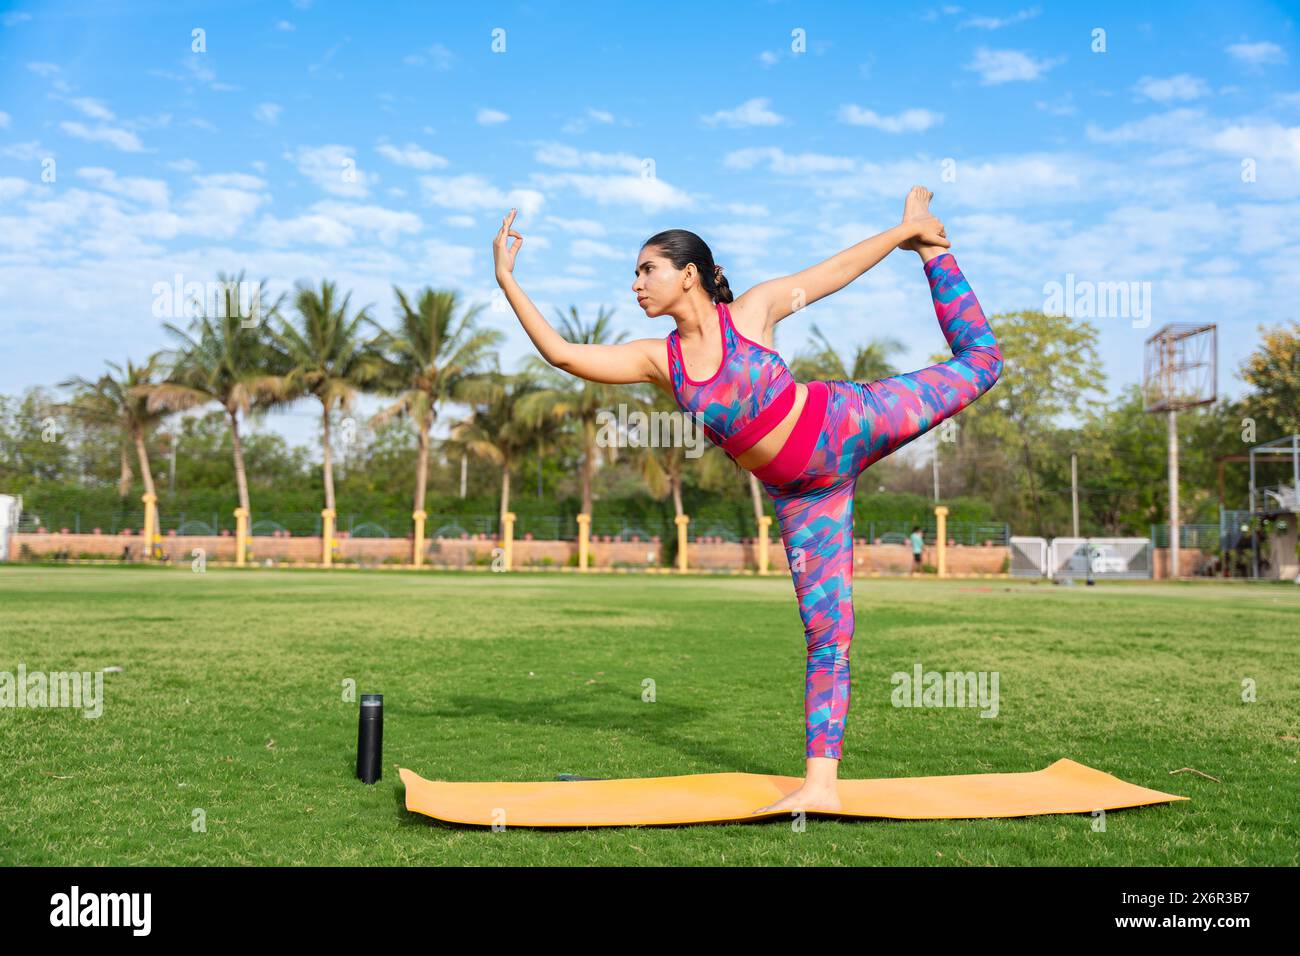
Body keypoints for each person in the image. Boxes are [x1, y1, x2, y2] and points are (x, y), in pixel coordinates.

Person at [492, 185, 1003, 815]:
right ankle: (821, 785)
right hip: (803, 497)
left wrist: (907, 234)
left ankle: (936, 251)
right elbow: (563, 353)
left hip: (848, 422)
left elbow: (832, 273)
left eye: (646, 270)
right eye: (635, 274)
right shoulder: (661, 360)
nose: (637, 285)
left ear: (688, 273)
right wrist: (507, 278)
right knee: (827, 631)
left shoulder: (754, 312)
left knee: (982, 363)